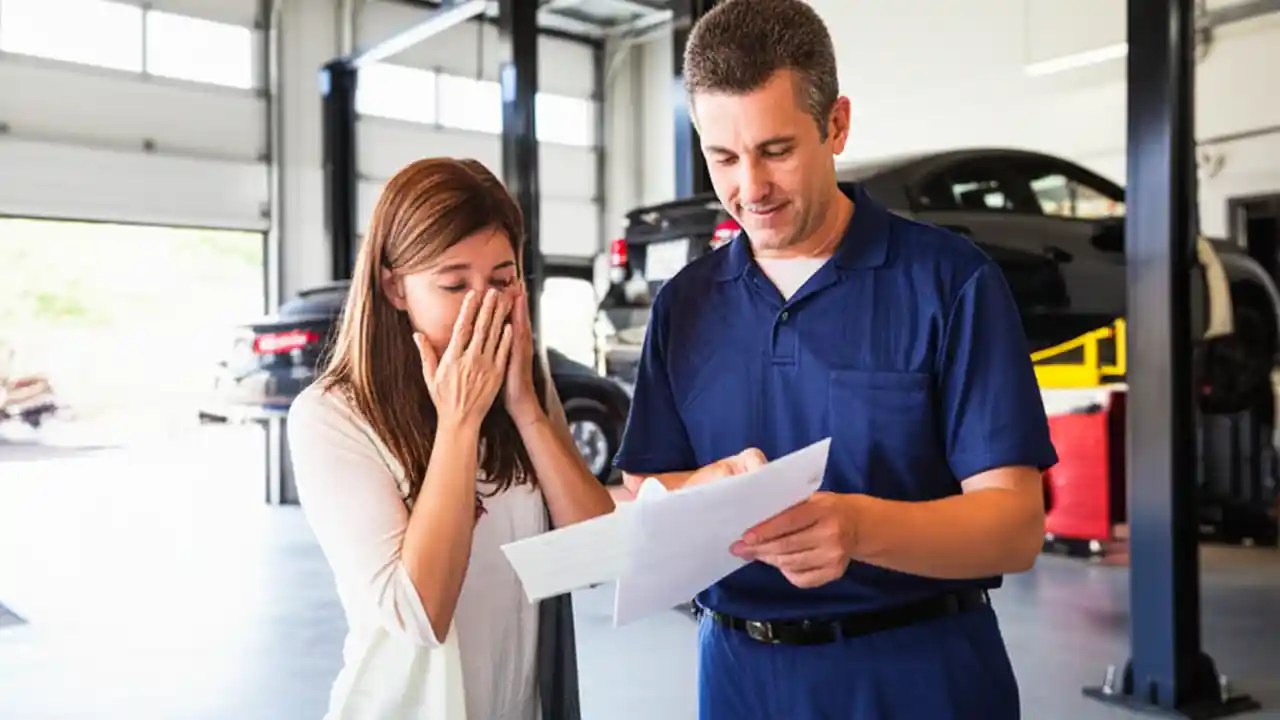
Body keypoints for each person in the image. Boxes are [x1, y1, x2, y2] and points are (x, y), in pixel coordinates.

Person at [611, 1, 1059, 718]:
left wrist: (856, 529)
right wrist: (699, 489)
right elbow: (648, 489)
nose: (749, 188)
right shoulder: (685, 305)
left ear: (837, 124)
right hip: (737, 677)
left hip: (918, 673)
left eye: (776, 150)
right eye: (722, 157)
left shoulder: (949, 282)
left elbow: (1014, 525)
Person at [287, 157, 613, 720]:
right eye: (454, 283)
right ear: (394, 287)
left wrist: (527, 410)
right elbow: (420, 613)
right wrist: (459, 422)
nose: (483, 305)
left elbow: (595, 552)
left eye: (502, 282)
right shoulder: (331, 417)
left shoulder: (522, 392)